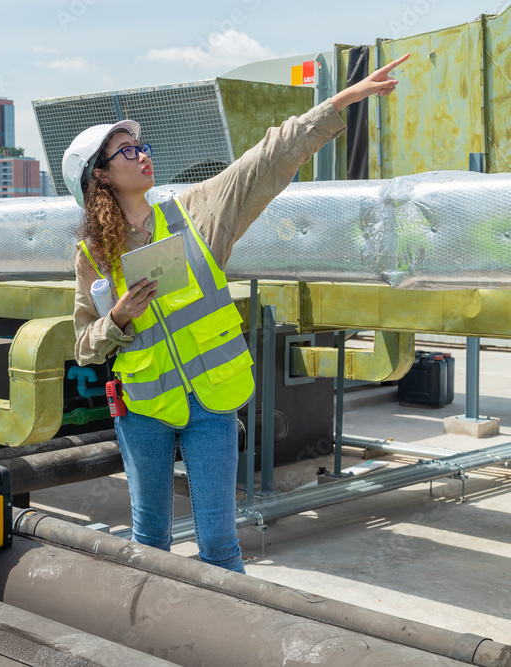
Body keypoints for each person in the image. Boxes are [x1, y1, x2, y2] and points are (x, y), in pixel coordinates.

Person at [64, 54, 410, 572]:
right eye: (126, 151)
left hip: (212, 405)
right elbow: (84, 346)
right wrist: (115, 319)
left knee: (222, 545)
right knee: (150, 538)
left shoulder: (196, 214)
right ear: (100, 177)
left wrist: (342, 101)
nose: (142, 155)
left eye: (142, 146)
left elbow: (268, 158)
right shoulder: (92, 256)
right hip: (143, 410)